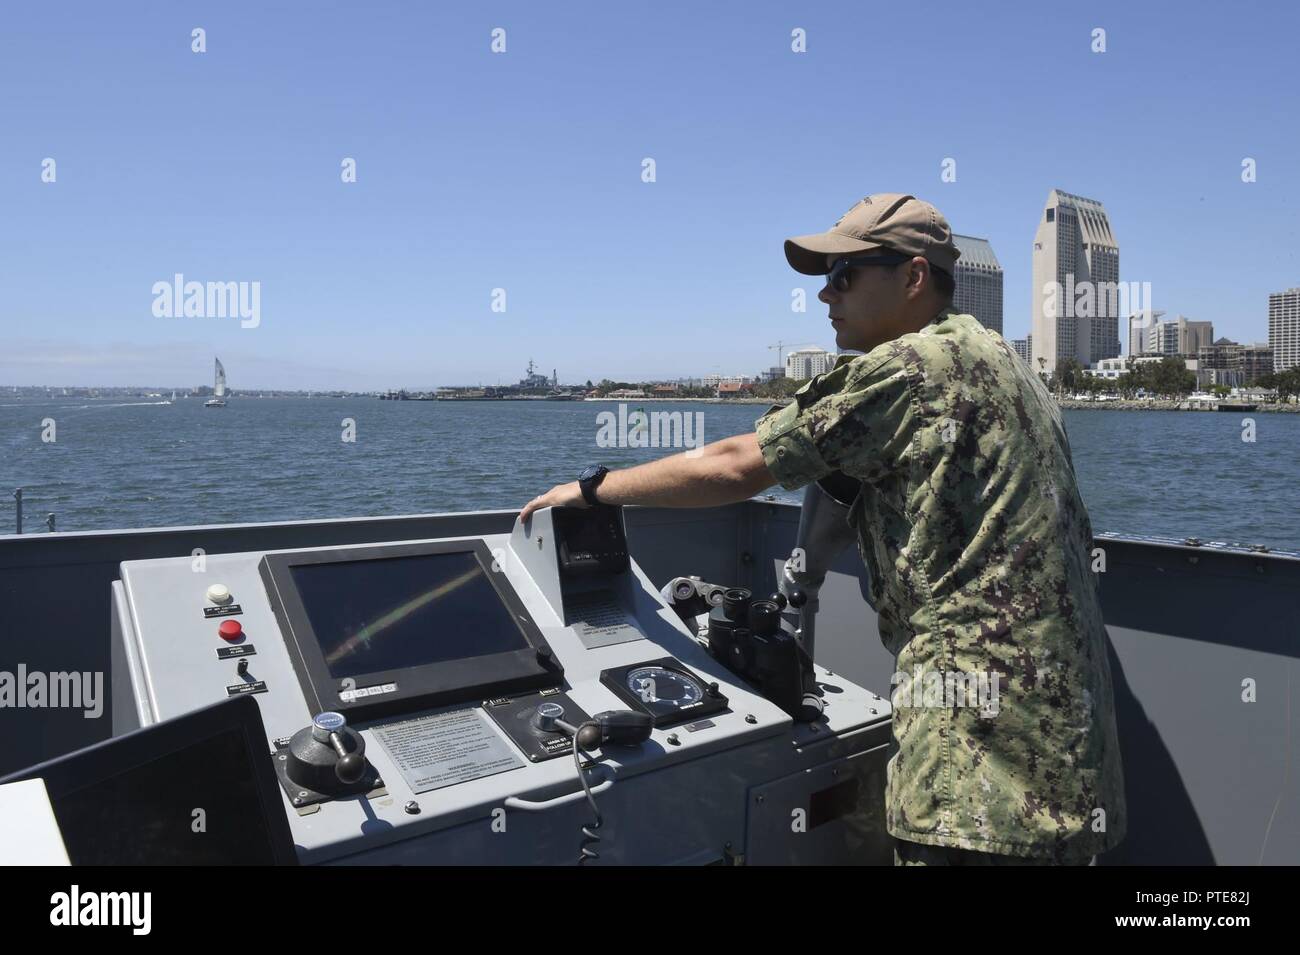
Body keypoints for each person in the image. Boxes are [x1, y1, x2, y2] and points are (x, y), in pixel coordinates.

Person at [519, 193, 1126, 865]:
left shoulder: (910, 368)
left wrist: (594, 488)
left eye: (845, 274)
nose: (824, 295)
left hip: (977, 771)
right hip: (1073, 757)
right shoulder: (1016, 371)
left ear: (914, 278)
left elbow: (735, 466)